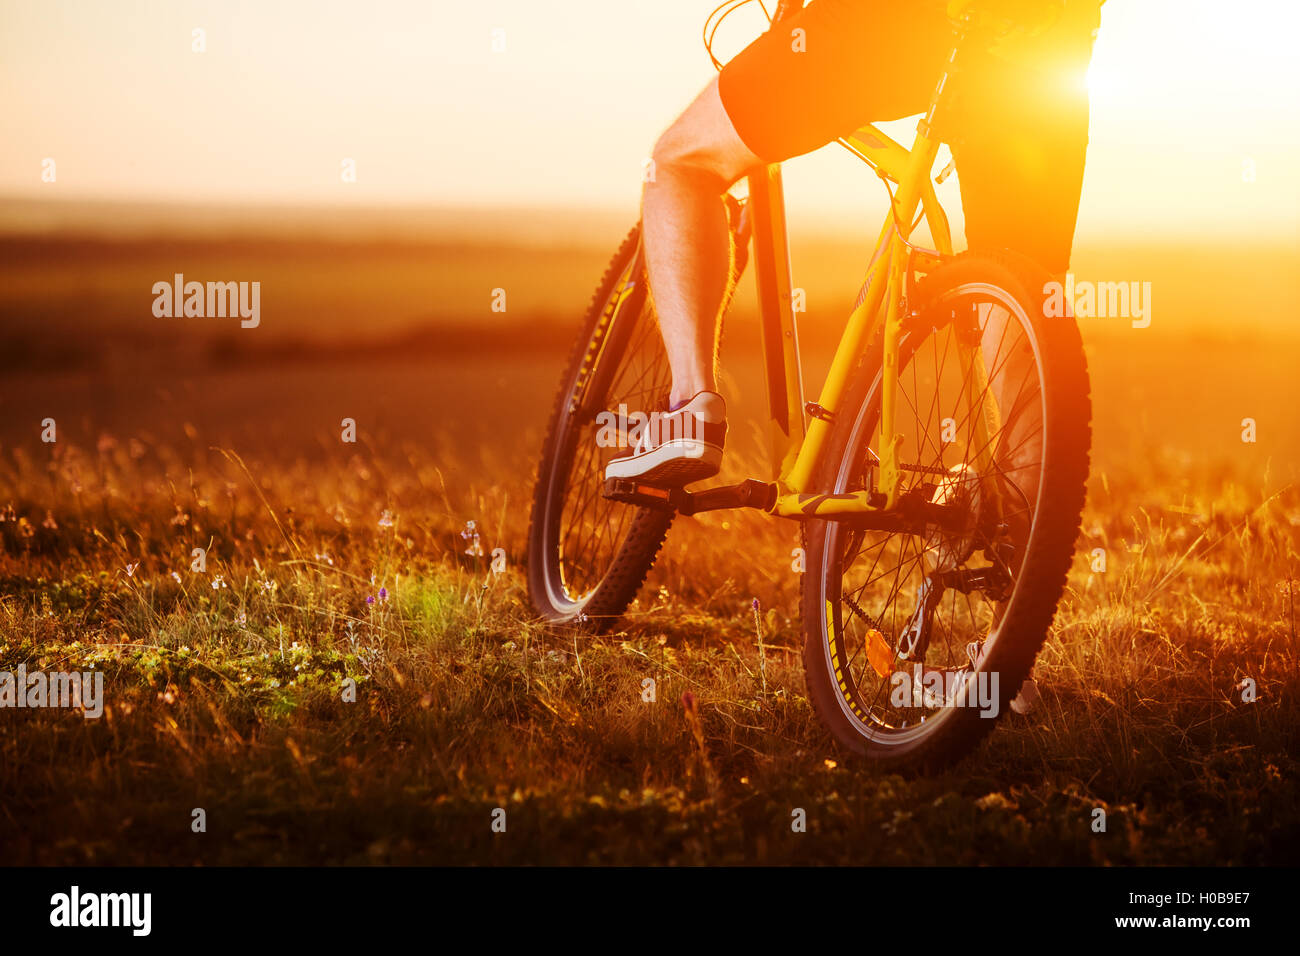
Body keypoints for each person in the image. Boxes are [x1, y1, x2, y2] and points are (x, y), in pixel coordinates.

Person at [604, 0, 1102, 487]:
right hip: (1047, 50)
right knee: (1021, 291)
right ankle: (1024, 535)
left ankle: (693, 409)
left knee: (679, 163)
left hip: (900, 24)